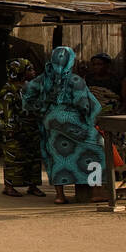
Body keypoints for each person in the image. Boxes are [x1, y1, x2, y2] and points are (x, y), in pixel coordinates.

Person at [22, 46, 104, 205]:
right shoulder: (75, 80)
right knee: (97, 148)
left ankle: (60, 196)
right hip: (71, 120)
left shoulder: (43, 79)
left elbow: (26, 92)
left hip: (51, 121)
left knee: (57, 155)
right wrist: (90, 119)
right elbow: (84, 104)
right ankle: (96, 192)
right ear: (70, 60)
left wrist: (41, 109)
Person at [0, 58, 44, 197]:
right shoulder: (9, 89)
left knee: (33, 158)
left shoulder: (31, 87)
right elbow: (6, 110)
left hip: (32, 128)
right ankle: (9, 186)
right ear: (19, 71)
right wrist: (10, 129)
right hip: (15, 129)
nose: (33, 72)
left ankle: (33, 186)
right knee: (13, 157)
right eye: (30, 69)